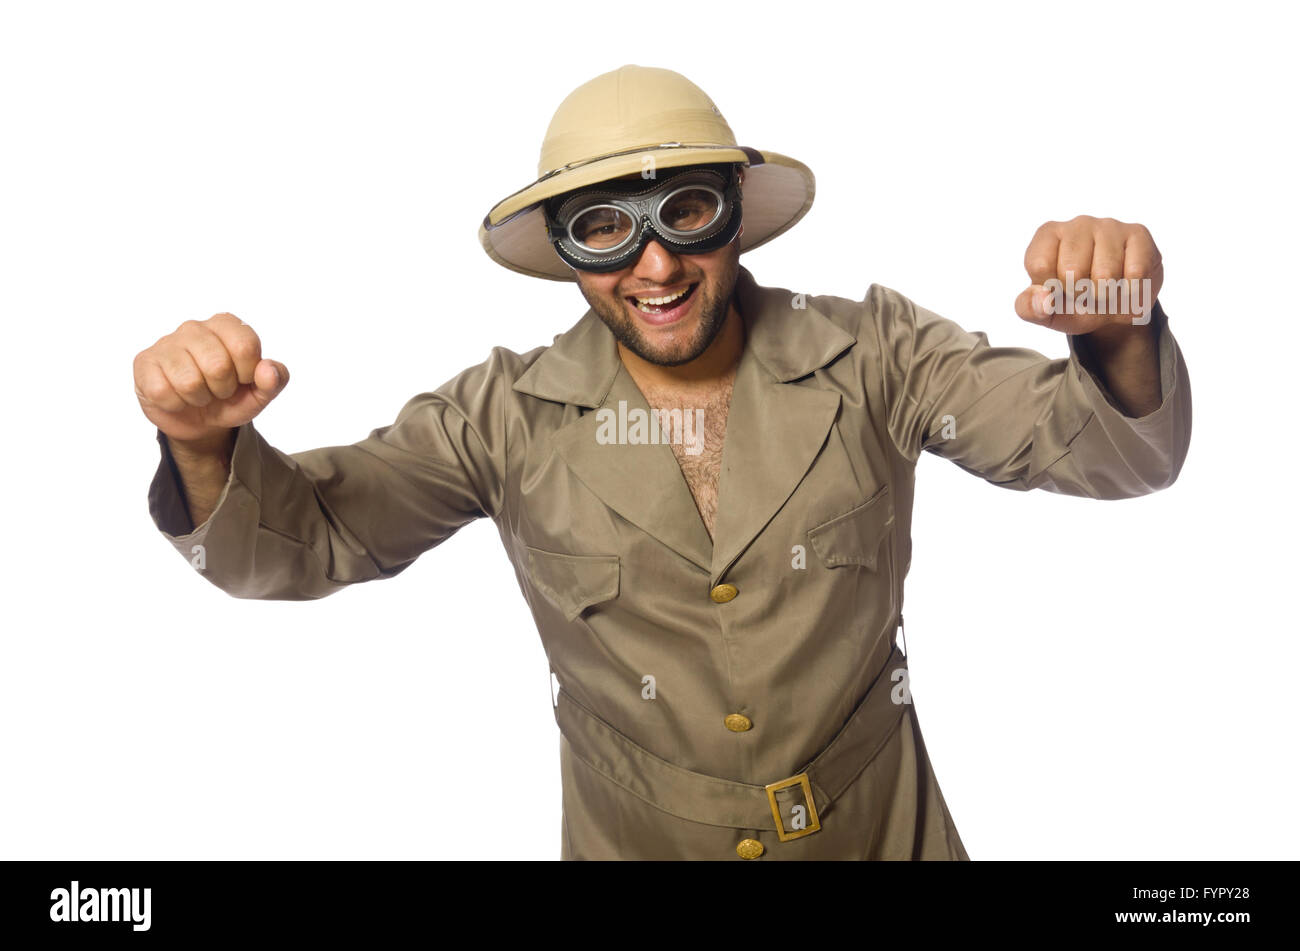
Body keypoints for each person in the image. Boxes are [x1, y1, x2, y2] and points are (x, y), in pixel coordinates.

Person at [135, 64, 1192, 860]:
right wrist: (200, 440)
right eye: (605, 227)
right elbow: (301, 547)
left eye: (686, 211)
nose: (654, 264)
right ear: (564, 250)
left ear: (735, 217)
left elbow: (1113, 454)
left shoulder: (878, 357)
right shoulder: (498, 418)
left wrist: (1115, 327)